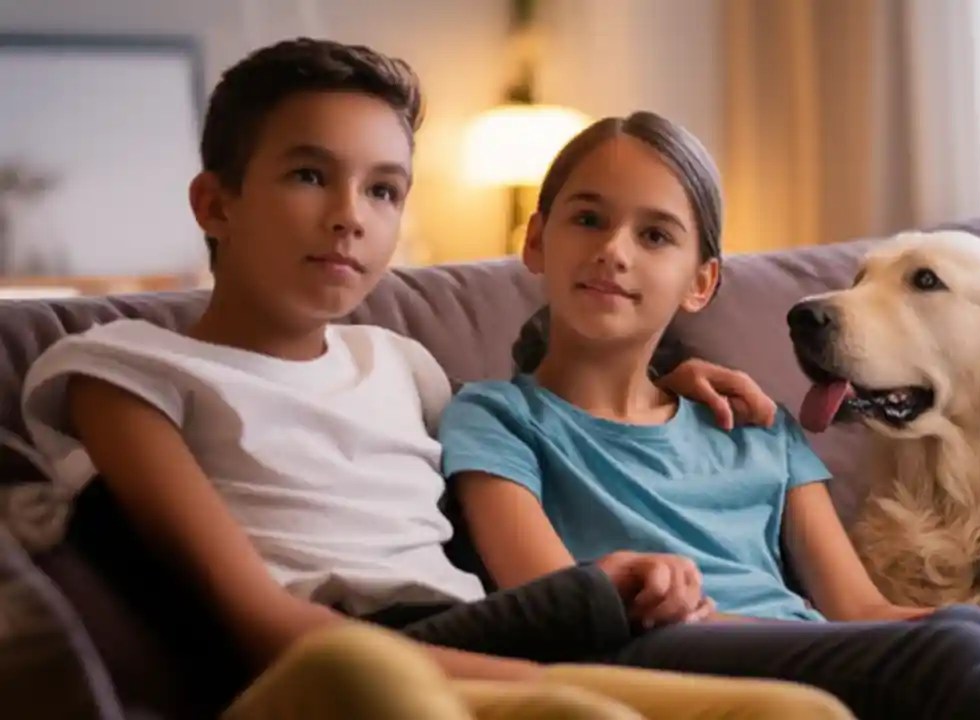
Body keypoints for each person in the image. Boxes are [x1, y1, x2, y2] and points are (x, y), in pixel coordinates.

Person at [19, 38, 851, 720]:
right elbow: (265, 626)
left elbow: (552, 397)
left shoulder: (402, 366)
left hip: (473, 643)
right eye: (310, 175)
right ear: (215, 204)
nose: (352, 213)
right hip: (316, 670)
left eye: (384, 189)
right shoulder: (121, 371)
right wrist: (560, 680)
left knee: (795, 712)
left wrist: (671, 374)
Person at [437, 110, 980, 720]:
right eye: (588, 220)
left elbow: (856, 605)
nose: (614, 251)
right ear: (536, 241)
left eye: (655, 234)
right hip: (650, 653)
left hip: (808, 651)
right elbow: (550, 607)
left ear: (700, 283)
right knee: (952, 653)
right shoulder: (497, 419)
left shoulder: (758, 427)